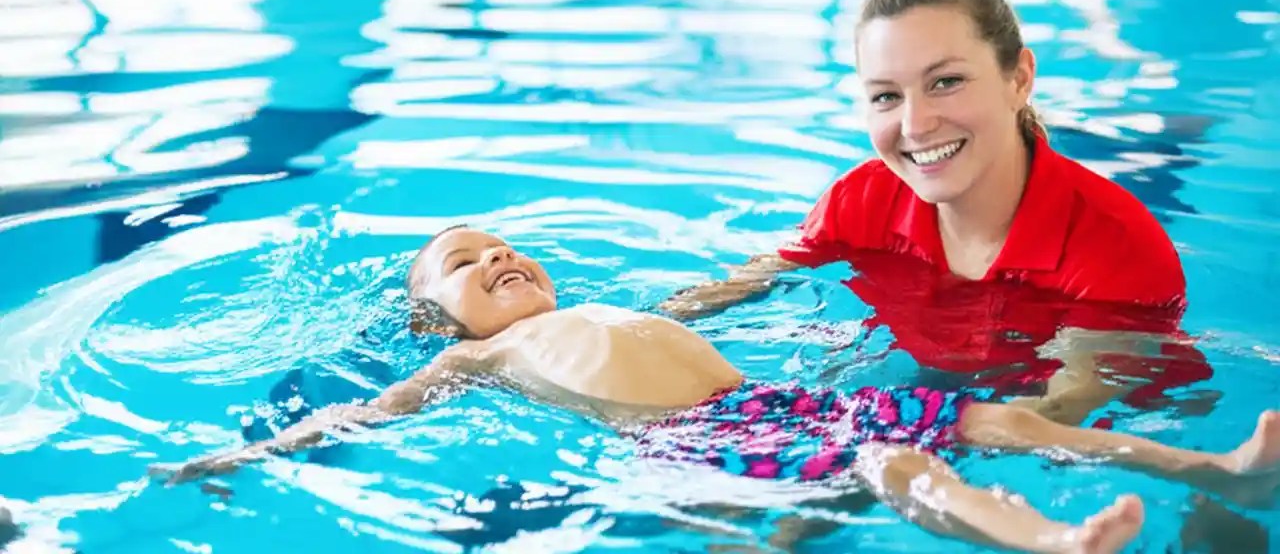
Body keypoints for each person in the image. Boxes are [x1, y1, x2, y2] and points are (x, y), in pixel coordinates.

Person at [154, 227, 1280, 554]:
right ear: (436, 320)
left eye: (508, 247)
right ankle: (1043, 543)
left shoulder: (612, 307)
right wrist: (249, 455)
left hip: (778, 401)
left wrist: (782, 267)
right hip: (700, 439)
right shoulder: (470, 359)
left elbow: (714, 296)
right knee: (899, 466)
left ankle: (1210, 466)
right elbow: (363, 415)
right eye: (465, 264)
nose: (498, 259)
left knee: (998, 414)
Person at [659, 0, 1186, 320]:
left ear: (1019, 79)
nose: (915, 126)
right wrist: (640, 324)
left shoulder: (1117, 250)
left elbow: (1063, 412)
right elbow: (748, 282)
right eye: (887, 96)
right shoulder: (862, 201)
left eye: (946, 82)